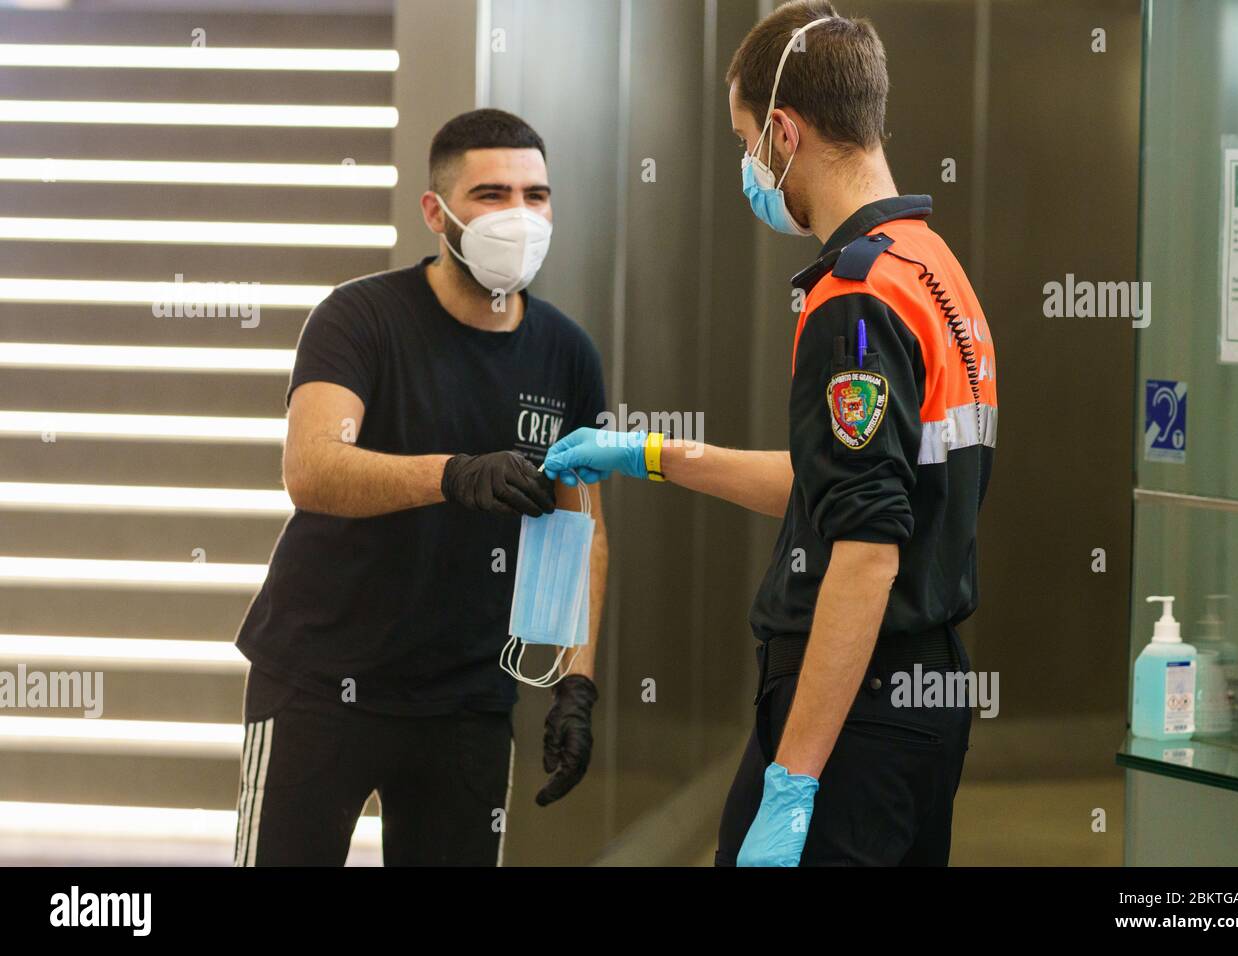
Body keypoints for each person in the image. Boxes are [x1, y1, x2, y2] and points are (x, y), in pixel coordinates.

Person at [544, 0, 997, 866]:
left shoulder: (855, 300)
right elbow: (850, 484)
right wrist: (655, 456)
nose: (747, 165)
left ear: (784, 133)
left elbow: (866, 550)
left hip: (849, 714)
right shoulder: (932, 271)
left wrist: (794, 780)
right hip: (919, 696)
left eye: (745, 139)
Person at [232, 109, 608, 866]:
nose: (519, 216)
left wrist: (577, 687)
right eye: (492, 194)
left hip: (467, 699)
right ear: (437, 213)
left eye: (536, 196)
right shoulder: (359, 318)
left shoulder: (566, 353)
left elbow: (582, 528)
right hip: (318, 679)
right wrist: (456, 475)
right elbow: (311, 468)